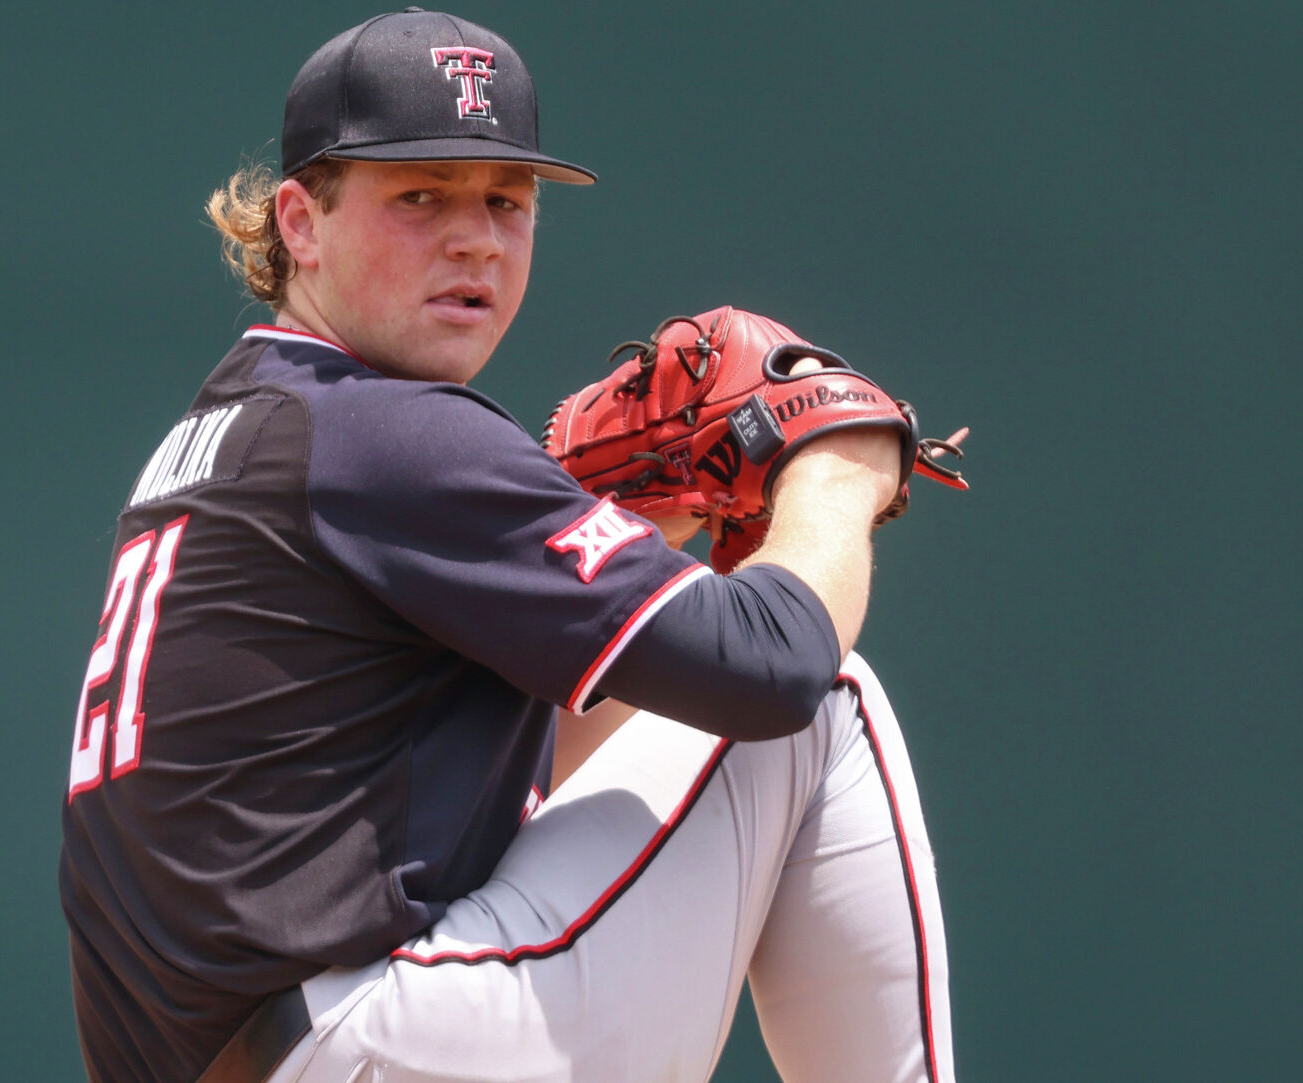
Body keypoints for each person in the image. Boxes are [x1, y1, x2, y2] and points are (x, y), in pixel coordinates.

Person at [59, 9, 957, 1082]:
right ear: (299, 222)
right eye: (419, 196)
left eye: (505, 199)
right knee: (830, 701)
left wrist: (641, 567)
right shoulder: (387, 430)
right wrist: (842, 467)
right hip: (379, 1041)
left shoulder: (235, 429)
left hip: (282, 1046)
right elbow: (771, 668)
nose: (474, 237)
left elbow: (467, 775)